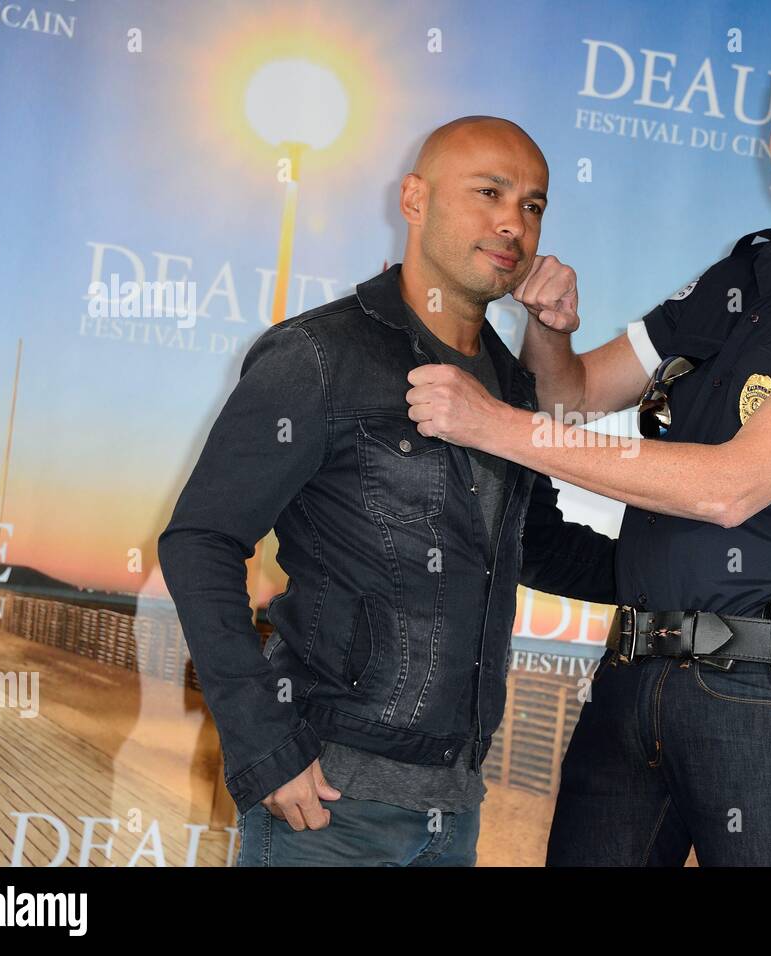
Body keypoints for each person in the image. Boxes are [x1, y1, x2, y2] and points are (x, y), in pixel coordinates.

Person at [403, 41, 771, 865]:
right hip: (634, 674)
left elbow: (730, 490)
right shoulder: (745, 273)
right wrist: (550, 335)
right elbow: (572, 397)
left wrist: (491, 424)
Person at [158, 116, 615, 866]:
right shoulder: (319, 355)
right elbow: (200, 540)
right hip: (329, 802)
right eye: (489, 192)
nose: (513, 222)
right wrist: (263, 742)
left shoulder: (509, 388)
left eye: (532, 205)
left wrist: (692, 572)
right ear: (414, 199)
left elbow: (539, 546)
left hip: (454, 808)